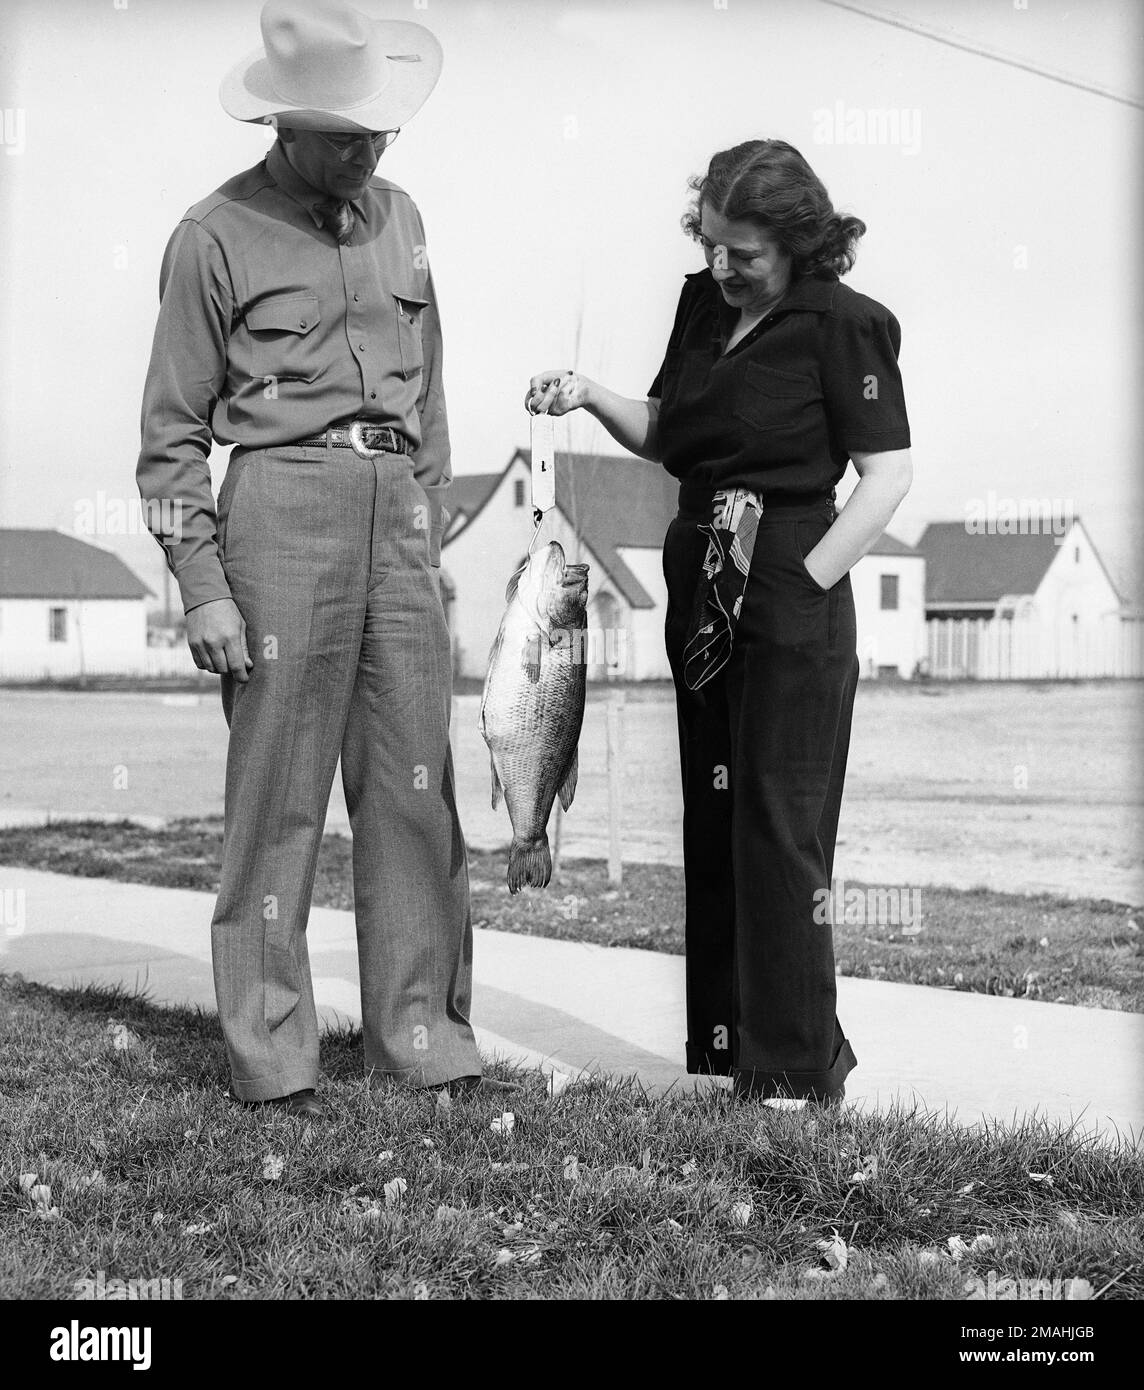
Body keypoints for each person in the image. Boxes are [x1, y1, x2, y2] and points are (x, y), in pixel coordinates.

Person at [138, 0, 506, 1119]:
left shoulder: (403, 218)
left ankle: (424, 1042)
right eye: (345, 137)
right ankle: (271, 1057)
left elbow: (430, 395)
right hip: (279, 510)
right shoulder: (213, 234)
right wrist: (202, 586)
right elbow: (170, 439)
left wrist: (429, 528)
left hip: (398, 518)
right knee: (278, 797)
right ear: (286, 127)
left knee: (414, 788)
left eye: (378, 131)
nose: (368, 153)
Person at [527, 139, 912, 1105]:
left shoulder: (846, 325)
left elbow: (889, 476)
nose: (721, 266)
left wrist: (805, 578)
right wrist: (589, 396)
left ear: (798, 241)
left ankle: (796, 1075)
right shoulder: (703, 305)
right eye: (709, 244)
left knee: (781, 824)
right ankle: (733, 1053)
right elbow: (669, 430)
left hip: (787, 573)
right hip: (700, 568)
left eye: (743, 252)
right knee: (717, 812)